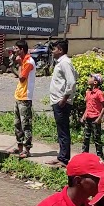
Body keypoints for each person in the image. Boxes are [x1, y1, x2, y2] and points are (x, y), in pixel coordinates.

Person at [47, 40, 77, 168]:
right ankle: (61, 156)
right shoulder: (62, 62)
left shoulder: (65, 63)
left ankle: (64, 159)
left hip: (61, 102)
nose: (52, 52)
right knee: (61, 130)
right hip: (57, 100)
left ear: (60, 50)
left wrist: (64, 98)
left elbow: (72, 82)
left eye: (54, 49)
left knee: (63, 130)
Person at [14, 42, 35, 159]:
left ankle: (27, 149)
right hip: (18, 95)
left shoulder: (28, 62)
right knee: (17, 124)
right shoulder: (23, 61)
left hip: (25, 97)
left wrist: (19, 63)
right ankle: (20, 147)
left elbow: (22, 78)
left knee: (25, 124)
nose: (15, 50)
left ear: (22, 50)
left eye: (17, 49)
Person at [81, 74, 104, 156]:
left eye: (91, 78)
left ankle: (99, 155)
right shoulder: (88, 93)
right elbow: (88, 106)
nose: (89, 78)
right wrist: (84, 115)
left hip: (95, 118)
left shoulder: (99, 93)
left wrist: (99, 117)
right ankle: (84, 155)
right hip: (88, 118)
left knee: (97, 138)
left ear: (95, 82)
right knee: (86, 137)